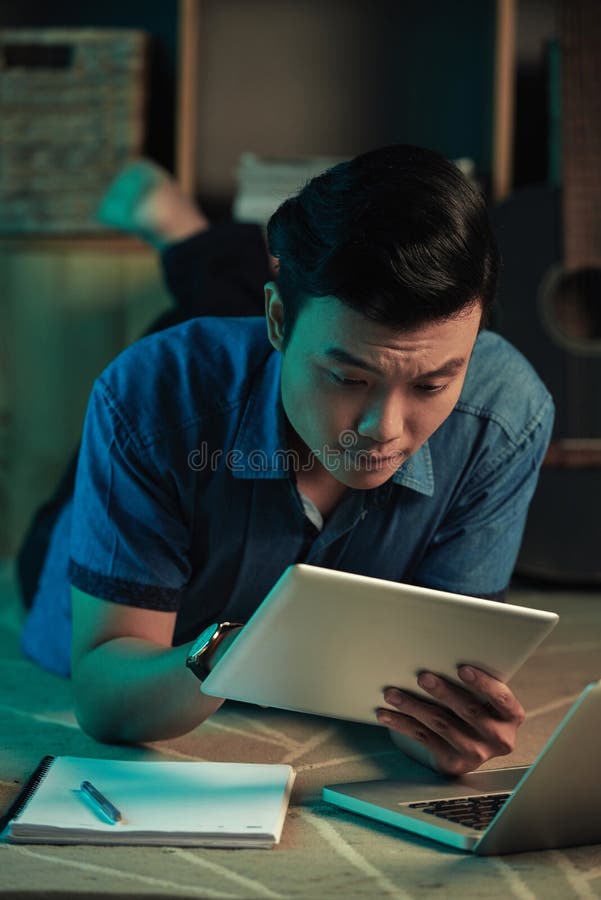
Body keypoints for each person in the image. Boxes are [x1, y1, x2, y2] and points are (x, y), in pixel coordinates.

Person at [19, 145, 554, 777]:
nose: (380, 431)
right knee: (184, 365)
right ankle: (181, 233)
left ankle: (195, 241)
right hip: (143, 601)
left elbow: (433, 692)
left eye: (432, 386)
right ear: (276, 321)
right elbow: (109, 700)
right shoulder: (150, 398)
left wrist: (449, 730)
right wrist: (236, 651)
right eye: (347, 379)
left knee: (234, 320)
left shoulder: (505, 414)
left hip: (266, 360)